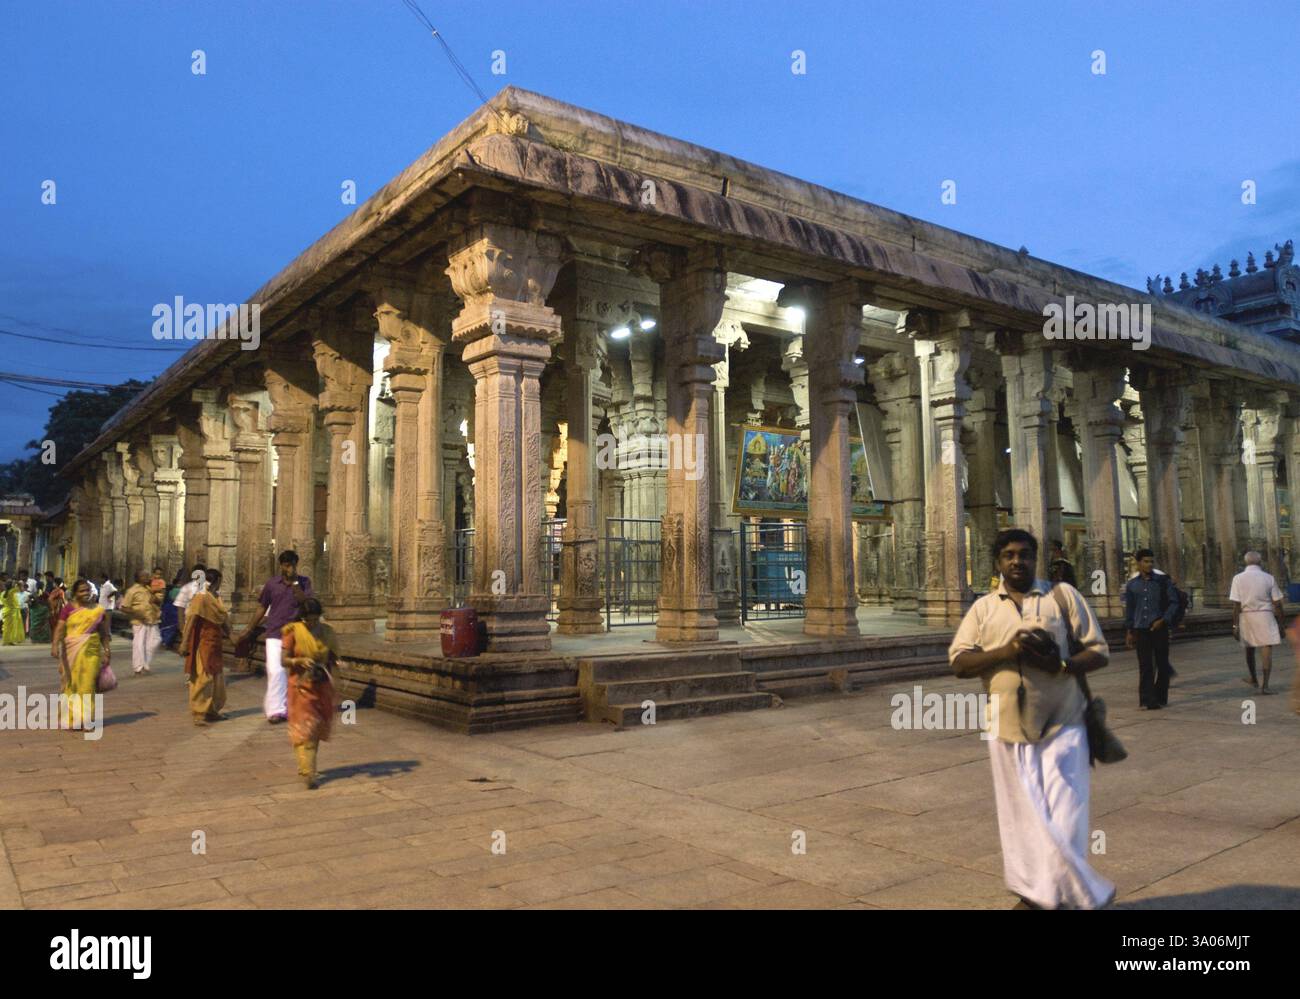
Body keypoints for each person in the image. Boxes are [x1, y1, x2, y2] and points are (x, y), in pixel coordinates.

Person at [950, 528, 1114, 910]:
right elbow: (959, 661)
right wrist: (1006, 651)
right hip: (1006, 726)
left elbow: (1099, 652)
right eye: (1008, 555)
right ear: (997, 561)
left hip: (1065, 723)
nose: (1016, 561)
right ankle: (1049, 892)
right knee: (1022, 818)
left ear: (1035, 558)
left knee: (1066, 817)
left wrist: (1059, 663)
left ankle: (1052, 895)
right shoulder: (984, 608)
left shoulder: (1062, 596)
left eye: (1024, 554)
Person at [236, 551, 312, 724]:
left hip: (297, 633)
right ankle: (275, 710)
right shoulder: (272, 584)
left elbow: (306, 603)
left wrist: (294, 583)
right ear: (280, 565)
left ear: (296, 564)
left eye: (292, 564)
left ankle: (293, 707)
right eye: (286, 565)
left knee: (297, 672)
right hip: (275, 632)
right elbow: (262, 607)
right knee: (275, 670)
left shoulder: (304, 582)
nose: (289, 568)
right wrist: (249, 628)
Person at [281, 598, 338, 789]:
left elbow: (333, 656)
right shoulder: (293, 631)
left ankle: (306, 765)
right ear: (302, 618)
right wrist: (299, 661)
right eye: (309, 620)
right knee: (305, 727)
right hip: (300, 685)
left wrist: (337, 664)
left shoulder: (327, 632)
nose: (312, 623)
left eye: (315, 619)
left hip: (321, 684)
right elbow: (284, 660)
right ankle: (309, 771)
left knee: (316, 727)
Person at [52, 579, 111, 731]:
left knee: (88, 685)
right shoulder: (68, 609)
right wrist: (54, 645)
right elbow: (59, 628)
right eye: (81, 591)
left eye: (87, 590)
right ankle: (71, 719)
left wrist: (107, 651)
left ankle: (86, 720)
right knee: (71, 685)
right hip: (71, 652)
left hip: (91, 652)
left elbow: (104, 633)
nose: (85, 593)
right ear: (75, 593)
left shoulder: (98, 610)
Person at [1123, 548, 1178, 709]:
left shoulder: (1162, 581)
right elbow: (1130, 609)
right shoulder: (1132, 585)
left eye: (1151, 561)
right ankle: (1147, 699)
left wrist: (1163, 619)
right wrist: (1129, 631)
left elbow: (1174, 602)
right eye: (1146, 561)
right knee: (1145, 665)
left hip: (1159, 628)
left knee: (1162, 664)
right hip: (1141, 629)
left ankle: (1160, 697)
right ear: (1139, 563)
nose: (1149, 564)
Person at [1229, 551, 1285, 694]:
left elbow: (1236, 605)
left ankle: (1254, 678)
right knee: (1266, 651)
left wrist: (1235, 625)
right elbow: (1277, 603)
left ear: (1245, 562)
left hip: (1247, 617)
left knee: (1249, 650)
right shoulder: (1269, 578)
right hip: (1265, 616)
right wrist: (1281, 624)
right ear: (1260, 562)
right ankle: (1265, 686)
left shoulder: (1238, 578)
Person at [180, 568, 230, 726]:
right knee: (203, 677)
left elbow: (222, 619)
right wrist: (184, 642)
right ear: (216, 581)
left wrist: (231, 636)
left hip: (215, 641)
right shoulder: (201, 597)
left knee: (216, 677)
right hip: (203, 642)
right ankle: (199, 713)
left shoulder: (214, 597)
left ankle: (212, 710)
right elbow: (192, 619)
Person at [120, 570, 162, 676]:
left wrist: (155, 599)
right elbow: (124, 607)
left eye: (148, 576)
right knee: (139, 645)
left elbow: (158, 602)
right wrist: (137, 614)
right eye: (144, 576)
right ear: (138, 578)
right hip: (139, 621)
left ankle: (145, 663)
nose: (148, 578)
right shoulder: (132, 591)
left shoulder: (149, 589)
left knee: (156, 641)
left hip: (152, 619)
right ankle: (138, 668)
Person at [172, 563, 206, 643]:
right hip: (190, 624)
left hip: (205, 624)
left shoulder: (209, 588)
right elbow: (180, 608)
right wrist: (182, 628)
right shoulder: (187, 588)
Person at [159, 569, 186, 649]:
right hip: (174, 610)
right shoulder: (179, 590)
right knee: (172, 627)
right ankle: (166, 642)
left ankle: (163, 641)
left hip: (167, 610)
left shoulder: (171, 590)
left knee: (166, 627)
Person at [1, 578, 23, 645]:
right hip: (12, 612)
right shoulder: (11, 591)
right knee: (13, 627)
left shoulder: (2, 594)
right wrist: (18, 583)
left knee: (6, 626)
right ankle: (9, 640)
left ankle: (7, 640)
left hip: (6, 610)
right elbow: (20, 588)